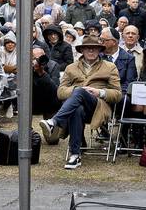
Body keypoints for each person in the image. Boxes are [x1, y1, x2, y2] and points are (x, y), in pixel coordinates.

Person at [38, 30, 122, 170]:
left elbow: (118, 94)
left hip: (98, 106)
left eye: (94, 48)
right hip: (77, 107)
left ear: (99, 50)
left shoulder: (109, 67)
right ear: (81, 50)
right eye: (87, 47)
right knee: (77, 108)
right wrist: (77, 90)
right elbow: (60, 91)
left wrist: (99, 92)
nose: (90, 50)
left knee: (80, 93)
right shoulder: (71, 68)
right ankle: (75, 155)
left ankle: (54, 121)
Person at [31, 45, 62, 117]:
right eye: (35, 58)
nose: (39, 60)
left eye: (41, 57)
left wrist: (41, 73)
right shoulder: (26, 66)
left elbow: (54, 89)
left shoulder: (53, 65)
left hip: (49, 102)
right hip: (33, 102)